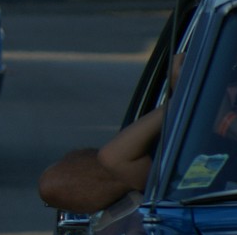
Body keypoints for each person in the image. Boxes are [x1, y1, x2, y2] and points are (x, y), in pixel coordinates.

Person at [38, 55, 183, 212]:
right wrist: (182, 101)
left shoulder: (181, 163)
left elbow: (114, 158)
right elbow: (55, 184)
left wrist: (182, 99)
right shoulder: (182, 159)